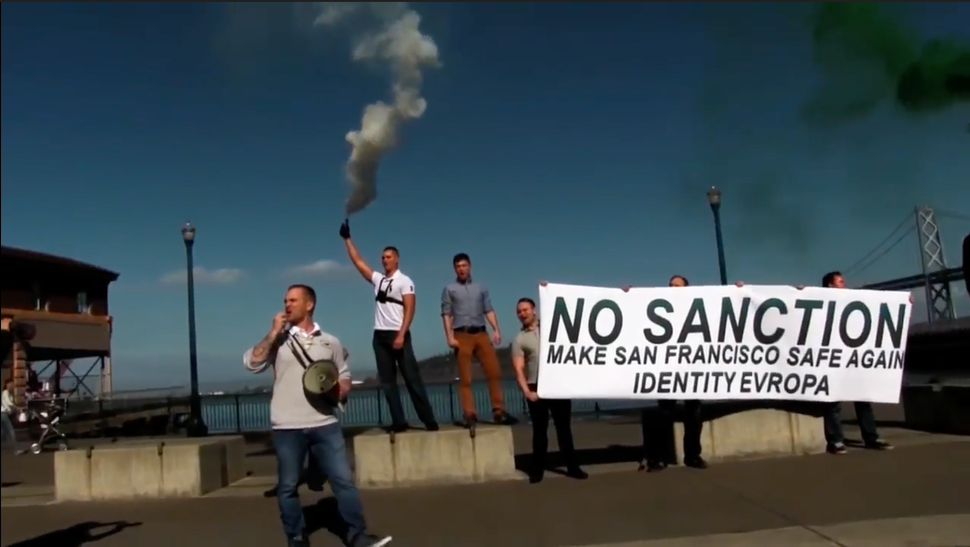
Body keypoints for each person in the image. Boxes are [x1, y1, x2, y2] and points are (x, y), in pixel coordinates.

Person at [243, 284, 391, 547]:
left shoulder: (330, 341)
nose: (287, 305)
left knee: (343, 481)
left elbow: (343, 374)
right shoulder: (279, 341)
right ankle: (296, 537)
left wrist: (342, 388)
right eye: (285, 301)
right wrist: (273, 332)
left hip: (325, 423)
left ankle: (357, 535)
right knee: (288, 486)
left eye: (293, 300)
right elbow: (252, 363)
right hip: (287, 425)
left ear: (309, 305)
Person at [339, 221, 437, 433]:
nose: (385, 260)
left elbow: (411, 307)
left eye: (388, 257)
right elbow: (359, 263)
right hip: (379, 336)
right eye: (383, 257)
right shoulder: (379, 280)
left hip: (398, 334)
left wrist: (401, 334)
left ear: (397, 258)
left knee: (412, 379)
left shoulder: (405, 281)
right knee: (388, 382)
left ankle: (429, 419)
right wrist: (347, 239)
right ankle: (398, 421)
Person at [624, 275, 714, 471]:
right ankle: (658, 458)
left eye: (677, 286)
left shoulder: (697, 306)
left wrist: (738, 291)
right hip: (666, 370)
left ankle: (693, 456)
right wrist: (628, 296)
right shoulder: (659, 306)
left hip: (690, 370)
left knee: (694, 415)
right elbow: (637, 311)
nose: (673, 288)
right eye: (671, 285)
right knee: (664, 415)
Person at [512, 290, 588, 484]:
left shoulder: (553, 328)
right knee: (539, 431)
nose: (522, 313)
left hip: (557, 383)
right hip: (535, 385)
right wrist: (527, 391)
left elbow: (575, 321)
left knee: (564, 429)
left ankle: (573, 467)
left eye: (526, 309)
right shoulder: (519, 339)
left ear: (534, 310)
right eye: (519, 311)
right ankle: (537, 470)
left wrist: (549, 289)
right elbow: (519, 369)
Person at [818, 271, 893, 455]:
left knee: (862, 399)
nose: (844, 283)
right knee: (833, 402)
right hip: (833, 359)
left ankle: (871, 438)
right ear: (830, 285)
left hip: (853, 357)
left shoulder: (854, 301)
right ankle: (836, 440)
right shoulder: (821, 300)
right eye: (840, 281)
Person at [441, 253, 517, 427]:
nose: (461, 269)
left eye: (464, 265)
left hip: (481, 334)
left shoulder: (481, 288)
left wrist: (496, 329)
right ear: (455, 269)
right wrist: (449, 337)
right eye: (458, 266)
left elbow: (488, 309)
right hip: (461, 334)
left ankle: (499, 411)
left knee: (494, 372)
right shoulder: (449, 289)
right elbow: (446, 314)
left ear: (470, 266)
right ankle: (469, 414)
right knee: (466, 378)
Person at [2, 379, 17, 447]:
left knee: (3, 432)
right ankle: (16, 449)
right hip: (3, 413)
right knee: (11, 431)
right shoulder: (5, 392)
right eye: (11, 384)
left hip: (4, 414)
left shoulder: (9, 393)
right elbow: (8, 402)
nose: (13, 385)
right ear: (7, 384)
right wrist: (15, 406)